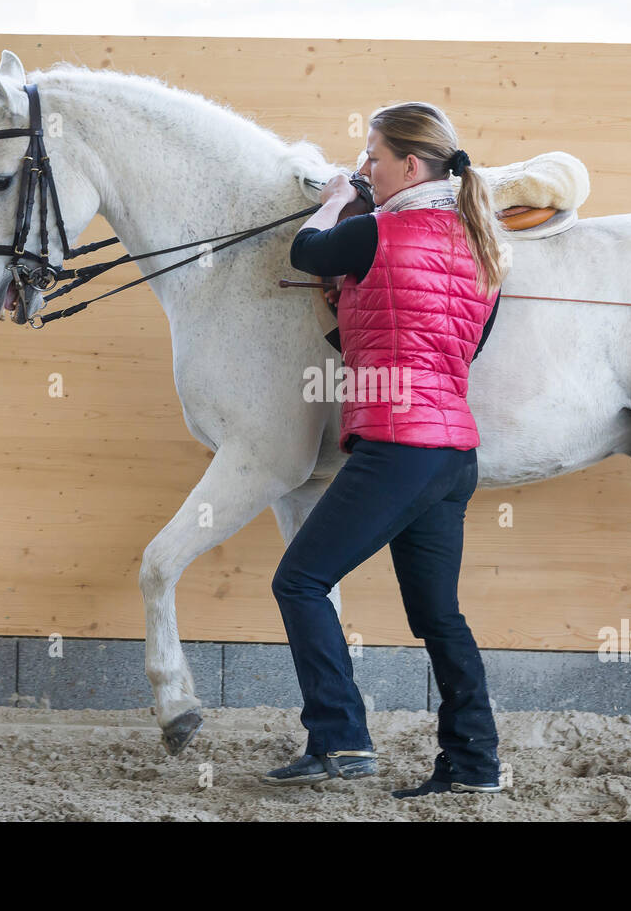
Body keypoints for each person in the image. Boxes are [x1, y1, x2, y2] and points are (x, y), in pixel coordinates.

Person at [262, 101, 506, 798]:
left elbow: (305, 253)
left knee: (300, 581)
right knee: (438, 618)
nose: (365, 168)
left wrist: (334, 201)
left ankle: (340, 737)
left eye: (371, 156)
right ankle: (475, 764)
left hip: (398, 447)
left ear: (408, 163)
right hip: (451, 454)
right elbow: (445, 354)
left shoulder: (373, 233)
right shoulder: (478, 247)